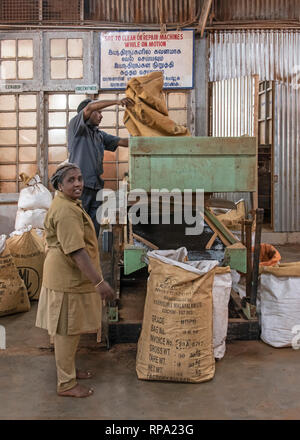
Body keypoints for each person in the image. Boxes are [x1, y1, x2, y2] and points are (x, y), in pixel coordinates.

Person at [36, 163, 115, 398]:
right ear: (60, 185)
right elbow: (77, 251)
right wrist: (99, 283)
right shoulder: (66, 211)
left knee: (73, 328)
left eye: (80, 178)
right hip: (66, 278)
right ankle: (66, 384)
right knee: (65, 332)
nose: (78, 183)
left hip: (70, 277)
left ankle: (68, 370)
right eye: (71, 180)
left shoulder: (68, 204)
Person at [68, 97, 134, 236]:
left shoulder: (99, 135)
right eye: (98, 112)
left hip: (96, 187)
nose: (101, 115)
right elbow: (89, 107)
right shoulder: (76, 127)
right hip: (81, 187)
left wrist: (144, 138)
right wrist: (117, 101)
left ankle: (91, 256)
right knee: (79, 229)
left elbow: (123, 142)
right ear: (86, 114)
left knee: (93, 231)